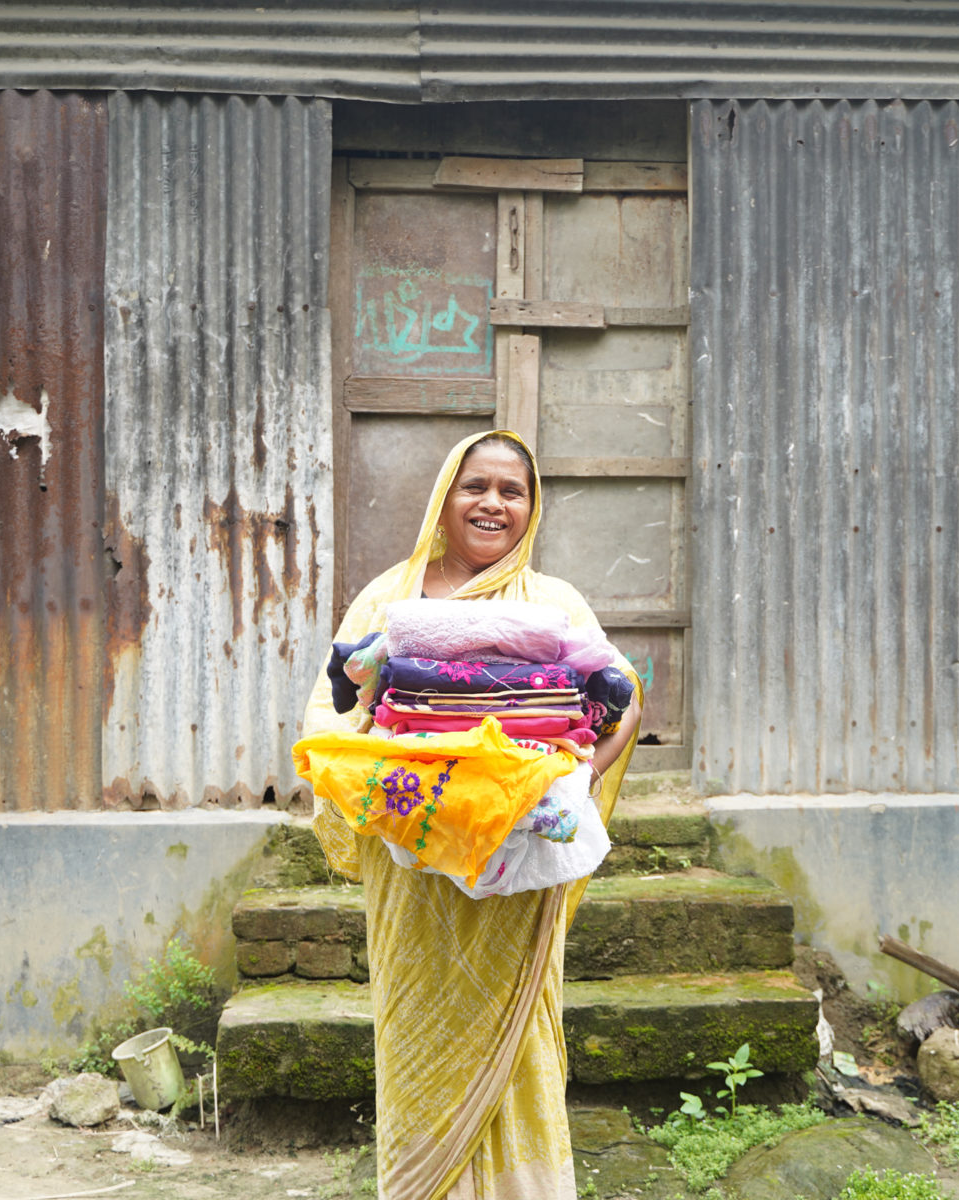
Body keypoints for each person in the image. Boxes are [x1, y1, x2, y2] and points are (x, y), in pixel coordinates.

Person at [299, 429, 643, 1199]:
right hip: (416, 873)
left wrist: (571, 781)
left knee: (519, 1040)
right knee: (420, 1028)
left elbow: (621, 697)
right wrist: (407, 783)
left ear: (532, 508)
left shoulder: (553, 605)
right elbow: (332, 712)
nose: (493, 504)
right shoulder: (390, 601)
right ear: (444, 498)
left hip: (521, 873)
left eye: (511, 491)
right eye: (475, 486)